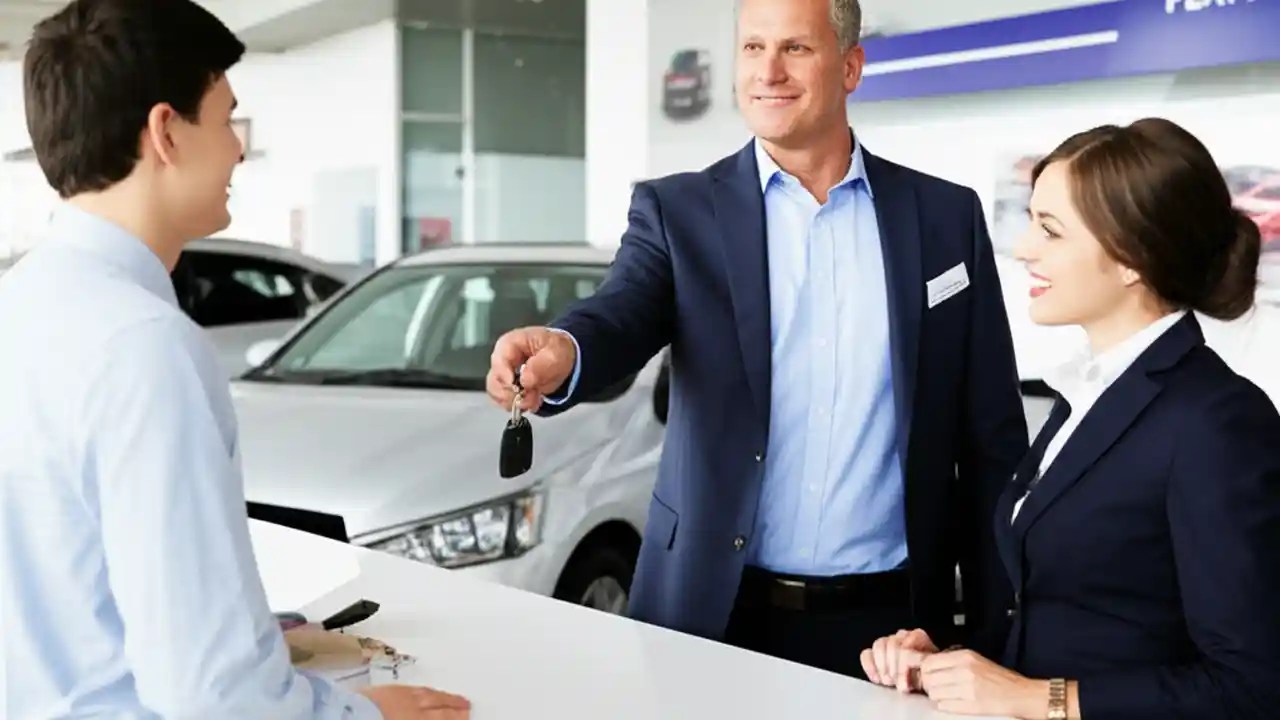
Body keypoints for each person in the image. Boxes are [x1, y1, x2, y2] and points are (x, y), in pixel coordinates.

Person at [486, 0, 1028, 679]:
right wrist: (565, 349)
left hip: (890, 634)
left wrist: (987, 631)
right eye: (752, 48)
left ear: (851, 66)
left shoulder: (945, 218)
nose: (768, 70)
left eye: (796, 48)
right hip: (709, 615)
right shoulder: (679, 212)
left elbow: (992, 441)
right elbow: (621, 311)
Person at [0, 2, 470, 718]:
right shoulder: (143, 345)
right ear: (166, 132)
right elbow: (211, 695)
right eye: (226, 120)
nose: (239, 150)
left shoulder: (22, 302)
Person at [861, 118, 1280, 720]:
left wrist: (1039, 699)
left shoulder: (1216, 422)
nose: (1024, 247)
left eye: (1050, 230)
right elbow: (1073, 613)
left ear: (1133, 257)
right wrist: (951, 663)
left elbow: (1253, 687)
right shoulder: (1086, 392)